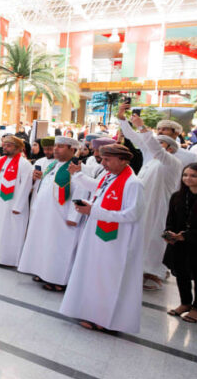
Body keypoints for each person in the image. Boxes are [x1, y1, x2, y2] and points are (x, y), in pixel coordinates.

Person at [61, 143, 144, 333]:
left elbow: (131, 215)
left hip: (117, 242)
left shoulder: (133, 183)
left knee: (109, 279)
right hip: (98, 234)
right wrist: (89, 204)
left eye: (108, 159)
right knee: (95, 275)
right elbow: (99, 192)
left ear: (123, 161)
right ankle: (92, 313)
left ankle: (105, 320)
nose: (103, 163)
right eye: (103, 159)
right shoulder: (110, 175)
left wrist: (94, 210)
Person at [116, 103, 182, 291]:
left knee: (153, 237)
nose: (154, 144)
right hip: (141, 202)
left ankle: (152, 273)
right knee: (138, 235)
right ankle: (136, 270)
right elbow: (133, 137)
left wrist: (142, 126)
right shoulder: (150, 158)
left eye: (161, 141)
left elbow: (154, 147)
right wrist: (123, 118)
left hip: (159, 205)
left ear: (169, 148)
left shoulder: (171, 161)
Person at [17, 137, 81, 291]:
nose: (56, 149)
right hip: (45, 214)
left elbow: (81, 192)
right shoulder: (53, 165)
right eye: (55, 146)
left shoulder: (77, 168)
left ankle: (58, 280)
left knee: (58, 247)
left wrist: (74, 217)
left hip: (61, 217)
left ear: (72, 149)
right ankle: (42, 272)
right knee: (43, 244)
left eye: (60, 146)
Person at [164, 163, 197, 324]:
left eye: (193, 175)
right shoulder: (177, 196)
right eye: (185, 175)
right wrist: (169, 233)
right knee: (181, 272)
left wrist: (187, 236)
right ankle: (185, 303)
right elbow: (170, 219)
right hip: (179, 243)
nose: (187, 178)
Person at [0, 136, 34, 266]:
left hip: (13, 204)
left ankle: (8, 258)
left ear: (18, 148)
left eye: (9, 145)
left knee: (10, 231)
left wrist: (19, 206)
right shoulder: (0, 160)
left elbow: (26, 186)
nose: (5, 147)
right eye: (4, 145)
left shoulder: (24, 164)